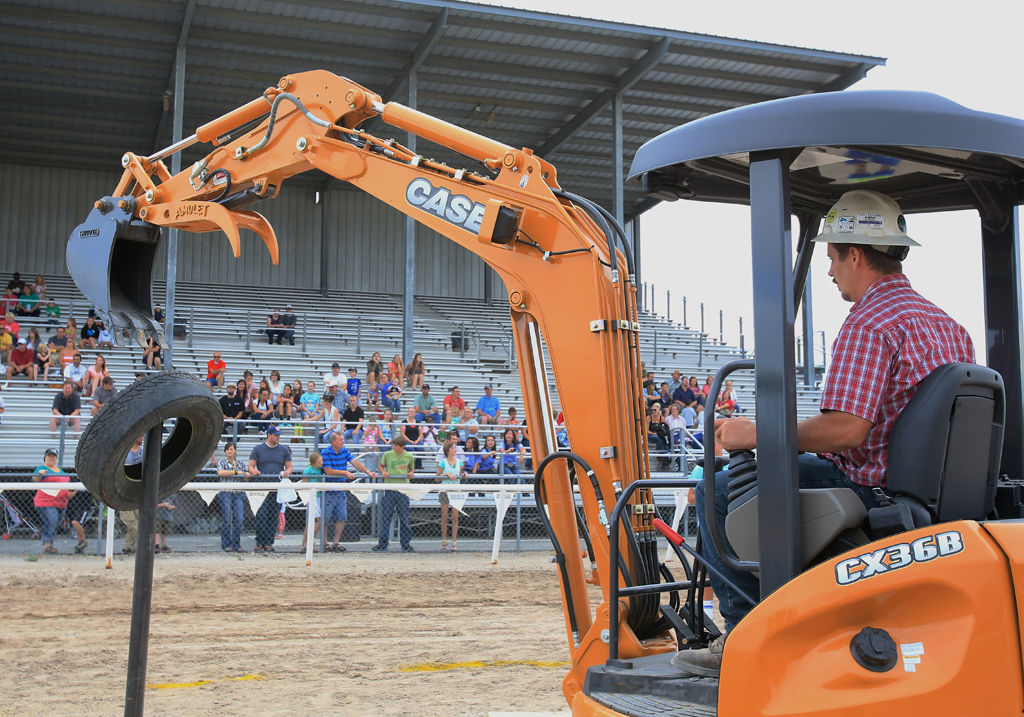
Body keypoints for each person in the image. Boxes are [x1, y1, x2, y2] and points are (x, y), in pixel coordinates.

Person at [675, 189, 977, 678]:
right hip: (934, 492)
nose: (831, 271)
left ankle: (744, 632)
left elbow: (846, 431)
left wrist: (754, 432)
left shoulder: (870, 322)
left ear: (854, 254)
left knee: (718, 488)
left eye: (832, 258)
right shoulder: (948, 325)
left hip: (873, 489)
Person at [320, 431, 378, 552]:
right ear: (333, 441)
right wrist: (345, 473)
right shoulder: (325, 452)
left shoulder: (344, 450)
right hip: (328, 489)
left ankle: (336, 542)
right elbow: (328, 471)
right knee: (325, 518)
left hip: (341, 489)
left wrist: (367, 471)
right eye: (340, 440)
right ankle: (324, 542)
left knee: (342, 516)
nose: (343, 441)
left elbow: (355, 462)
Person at [247, 424, 293, 553]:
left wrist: (287, 472)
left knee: (273, 516)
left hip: (276, 487)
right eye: (276, 435)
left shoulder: (283, 450)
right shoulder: (258, 449)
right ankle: (260, 541)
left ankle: (268, 542)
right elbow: (251, 465)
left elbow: (289, 466)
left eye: (279, 435)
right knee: (261, 515)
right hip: (262, 487)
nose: (278, 438)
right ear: (269, 436)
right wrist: (254, 472)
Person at [372, 434, 416, 553]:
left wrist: (411, 473)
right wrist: (383, 472)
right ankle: (383, 544)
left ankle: (405, 544)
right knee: (386, 518)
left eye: (397, 446)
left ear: (402, 447)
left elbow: (411, 468)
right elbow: (380, 466)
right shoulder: (387, 454)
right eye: (394, 445)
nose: (395, 447)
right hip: (390, 489)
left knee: (404, 519)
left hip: (403, 489)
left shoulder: (409, 456)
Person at [33, 448, 76, 554]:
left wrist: (76, 489)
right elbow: (35, 478)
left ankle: (49, 543)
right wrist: (40, 474)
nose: (51, 458)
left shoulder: (60, 471)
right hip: (46, 502)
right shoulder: (43, 468)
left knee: (56, 523)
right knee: (51, 521)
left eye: (53, 456)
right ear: (45, 457)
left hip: (61, 503)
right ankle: (47, 544)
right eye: (49, 456)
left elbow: (67, 491)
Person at [436, 442, 467, 551]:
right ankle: (444, 541)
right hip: (445, 490)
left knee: (455, 517)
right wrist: (446, 474)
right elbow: (437, 478)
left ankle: (454, 542)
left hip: (456, 491)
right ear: (448, 450)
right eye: (453, 448)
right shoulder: (443, 463)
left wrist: (464, 475)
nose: (455, 449)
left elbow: (460, 474)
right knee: (444, 516)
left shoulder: (459, 462)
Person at [216, 441, 247, 552]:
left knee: (239, 518)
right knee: (227, 519)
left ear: (235, 451)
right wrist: (235, 472)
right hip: (226, 492)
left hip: (238, 493)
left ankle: (236, 544)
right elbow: (220, 473)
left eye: (231, 449)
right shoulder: (222, 462)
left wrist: (246, 475)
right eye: (227, 449)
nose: (229, 451)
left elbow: (244, 476)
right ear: (225, 451)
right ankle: (226, 544)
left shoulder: (241, 463)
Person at [121, 437, 144, 554]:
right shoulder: (125, 452)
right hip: (125, 492)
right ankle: (139, 546)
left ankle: (129, 546)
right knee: (132, 523)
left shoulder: (144, 451)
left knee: (137, 521)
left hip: (138, 491)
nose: (142, 438)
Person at [300, 452, 324, 553]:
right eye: (320, 461)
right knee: (318, 521)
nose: (322, 462)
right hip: (311, 497)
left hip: (318, 496)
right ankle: (306, 543)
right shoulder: (308, 470)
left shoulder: (320, 470)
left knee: (314, 522)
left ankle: (306, 543)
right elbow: (304, 484)